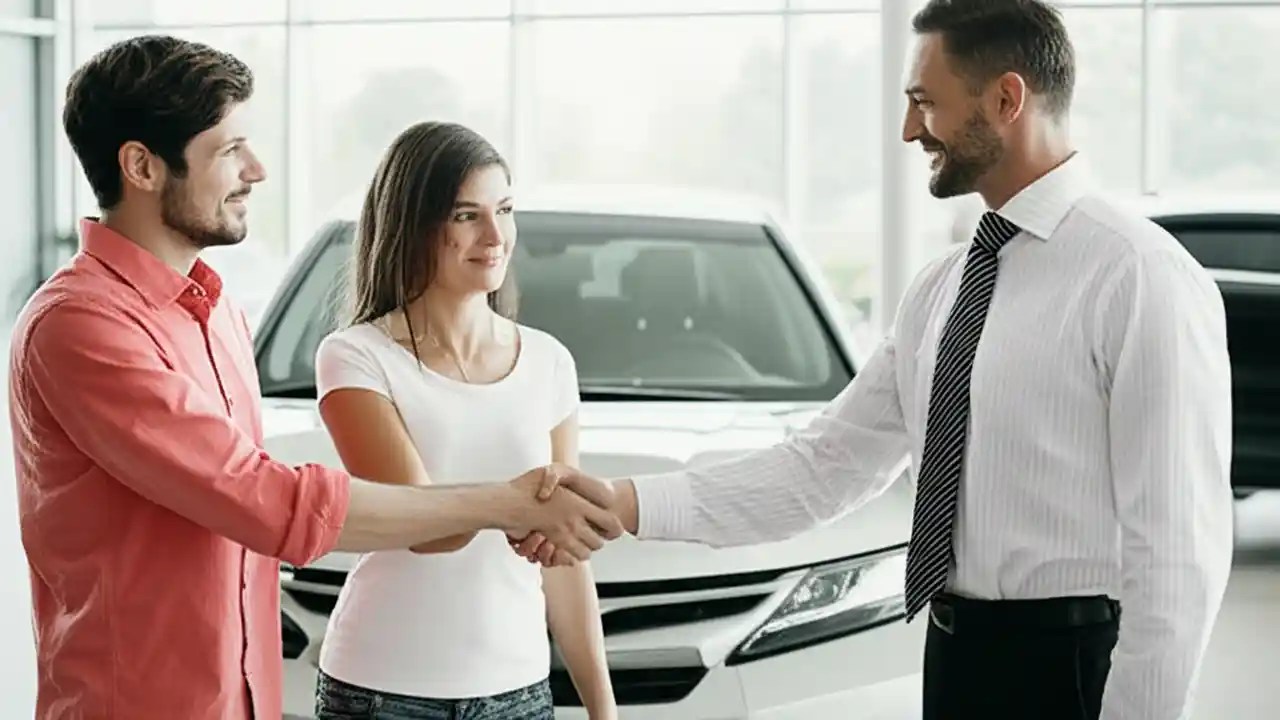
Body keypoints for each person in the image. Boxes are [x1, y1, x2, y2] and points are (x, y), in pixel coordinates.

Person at [529, 1, 1236, 718]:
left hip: (1073, 670)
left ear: (1006, 98)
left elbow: (1178, 561)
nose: (909, 130)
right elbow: (825, 467)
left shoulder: (1140, 276)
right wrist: (628, 502)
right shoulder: (942, 287)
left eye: (924, 102)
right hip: (955, 655)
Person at [7, 35, 622, 720]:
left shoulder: (217, 317)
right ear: (142, 167)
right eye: (229, 149)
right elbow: (264, 500)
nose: (257, 169)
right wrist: (507, 503)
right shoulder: (81, 327)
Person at [307, 121, 616, 720]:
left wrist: (604, 711)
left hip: (520, 693)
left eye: (504, 208)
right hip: (384, 692)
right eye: (466, 215)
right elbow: (426, 528)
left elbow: (565, 555)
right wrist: (518, 503)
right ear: (414, 226)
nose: (495, 235)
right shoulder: (355, 357)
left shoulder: (550, 362)